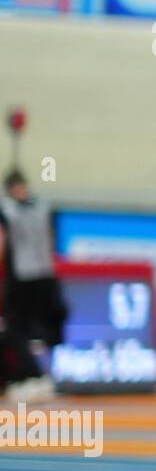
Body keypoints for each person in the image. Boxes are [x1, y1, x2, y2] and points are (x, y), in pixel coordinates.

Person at [0, 170, 67, 398]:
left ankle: (32, 375)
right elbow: (53, 236)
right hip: (44, 275)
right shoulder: (44, 206)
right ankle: (34, 375)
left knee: (16, 328)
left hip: (24, 277)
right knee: (33, 330)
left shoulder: (7, 209)